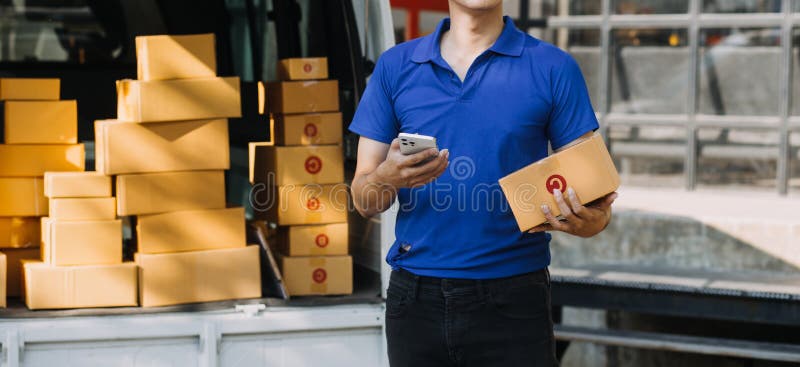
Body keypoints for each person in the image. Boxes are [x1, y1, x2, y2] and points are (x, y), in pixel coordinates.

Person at [349, 1, 617, 365]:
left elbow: (593, 190)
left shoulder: (553, 67)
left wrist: (593, 222)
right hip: (415, 301)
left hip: (515, 298)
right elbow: (364, 199)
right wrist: (386, 177)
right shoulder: (395, 66)